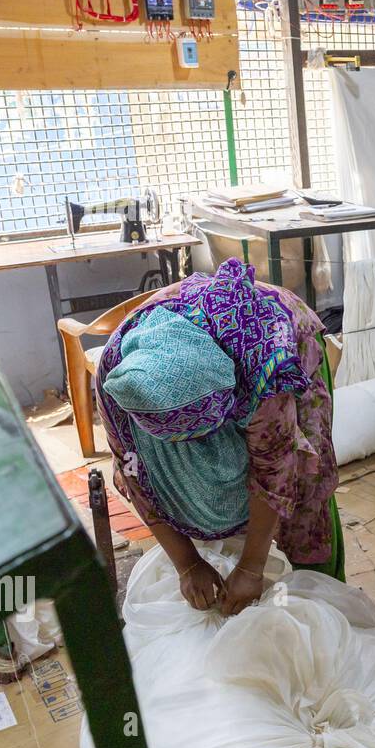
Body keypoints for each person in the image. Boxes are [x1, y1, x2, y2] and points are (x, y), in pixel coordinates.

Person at [95, 258, 343, 615]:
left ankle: (323, 595)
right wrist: (188, 564)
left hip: (286, 338)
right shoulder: (117, 377)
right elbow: (132, 470)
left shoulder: (266, 370)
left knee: (307, 482)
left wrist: (251, 567)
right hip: (206, 340)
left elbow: (276, 470)